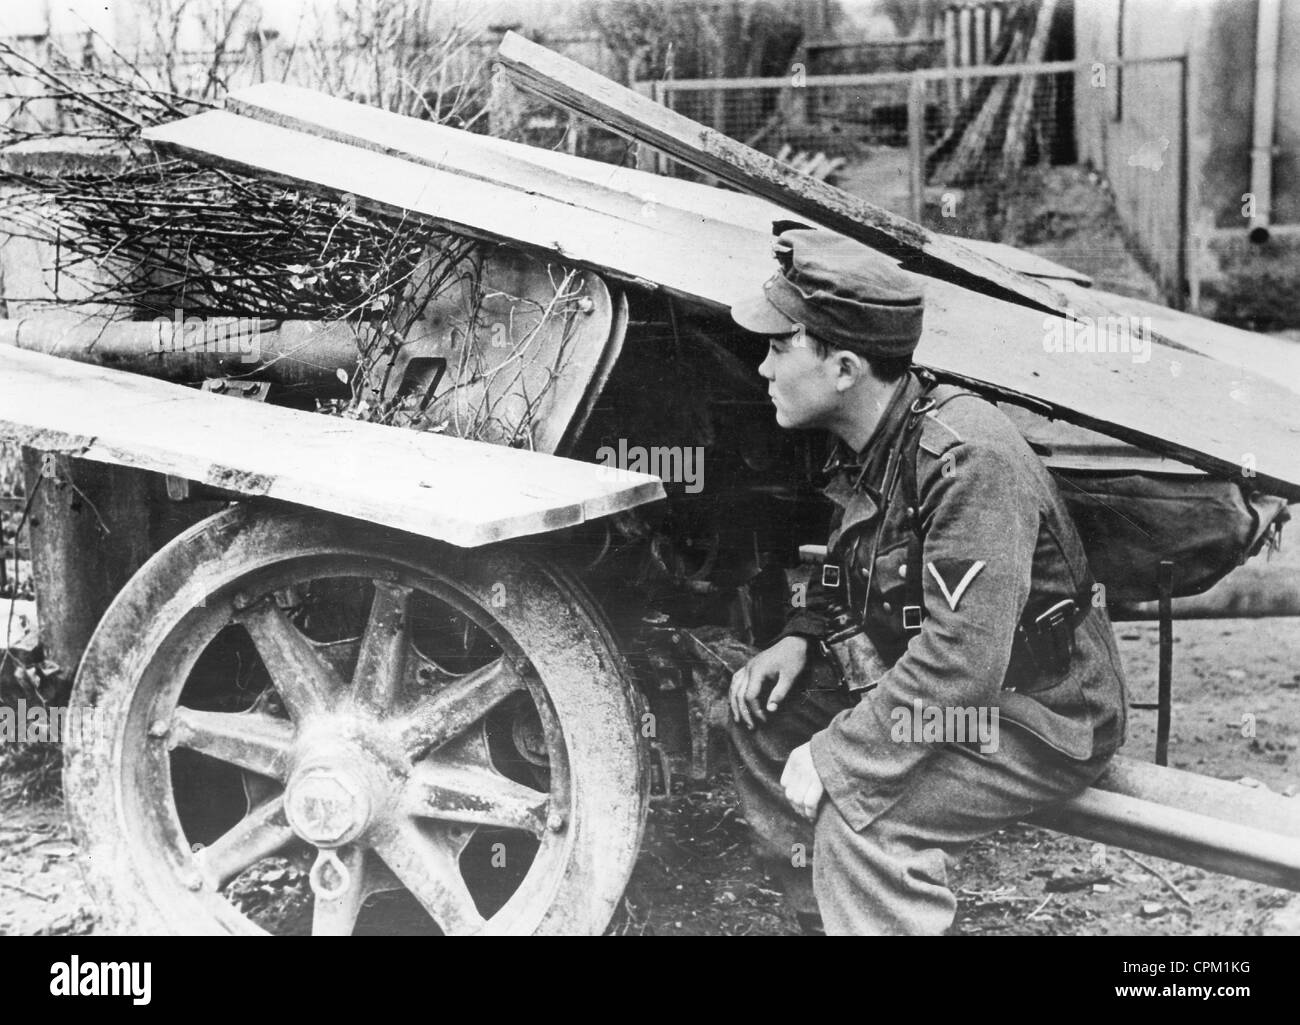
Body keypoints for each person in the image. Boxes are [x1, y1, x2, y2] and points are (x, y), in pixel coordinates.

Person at [726, 226, 1128, 935]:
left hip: (1037, 713)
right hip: (947, 693)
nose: (762, 367)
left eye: (779, 347)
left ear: (845, 367)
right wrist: (801, 636)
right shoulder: (872, 438)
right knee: (760, 719)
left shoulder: (968, 463)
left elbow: (962, 665)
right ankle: (825, 917)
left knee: (863, 819)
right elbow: (852, 561)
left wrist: (840, 755)